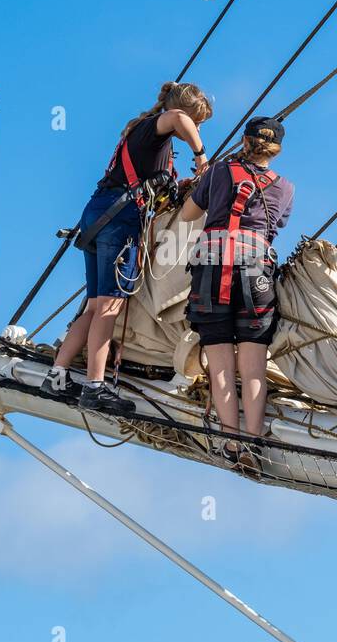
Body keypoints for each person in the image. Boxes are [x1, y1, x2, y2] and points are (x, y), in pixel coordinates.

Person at [47, 81, 213, 415]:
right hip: (119, 219)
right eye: (199, 121)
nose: (195, 128)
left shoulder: (140, 135)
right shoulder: (159, 126)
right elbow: (179, 117)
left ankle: (57, 374)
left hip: (97, 214)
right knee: (110, 308)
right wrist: (201, 158)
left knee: (95, 306)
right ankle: (95, 387)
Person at [179, 117, 294, 472]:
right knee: (254, 368)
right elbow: (276, 226)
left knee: (221, 367)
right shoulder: (285, 188)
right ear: (275, 151)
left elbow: (187, 215)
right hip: (256, 274)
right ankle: (253, 444)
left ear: (244, 141)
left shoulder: (217, 173)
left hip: (212, 270)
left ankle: (231, 440)